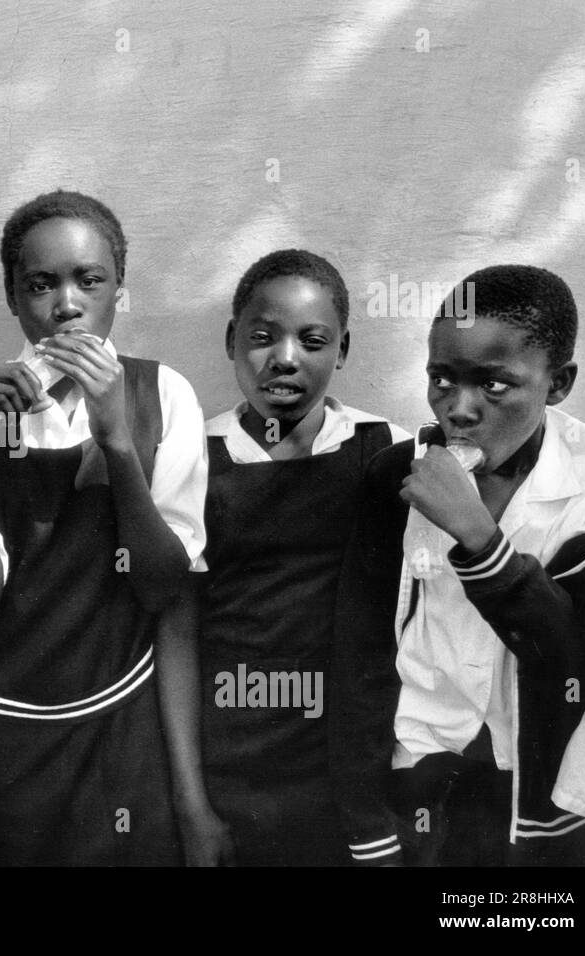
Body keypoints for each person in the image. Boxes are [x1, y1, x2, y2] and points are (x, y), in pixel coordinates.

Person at [0, 189, 214, 865]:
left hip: (123, 727)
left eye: (90, 280)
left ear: (120, 289)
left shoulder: (160, 394)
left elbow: (162, 584)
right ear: (12, 296)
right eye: (41, 284)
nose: (66, 304)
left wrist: (117, 442)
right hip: (4, 732)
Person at [331, 264, 585, 866]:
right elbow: (359, 659)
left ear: (559, 382)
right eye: (442, 378)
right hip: (420, 780)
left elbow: (575, 655)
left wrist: (478, 537)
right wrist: (368, 826)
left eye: (494, 385)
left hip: (542, 798)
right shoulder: (396, 475)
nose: (459, 409)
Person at [199, 249, 408, 866]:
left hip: (351, 763)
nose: (285, 358)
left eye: (313, 341)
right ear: (232, 338)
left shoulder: (383, 451)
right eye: (263, 337)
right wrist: (192, 802)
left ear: (342, 350)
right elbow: (176, 624)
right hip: (231, 757)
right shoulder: (191, 455)